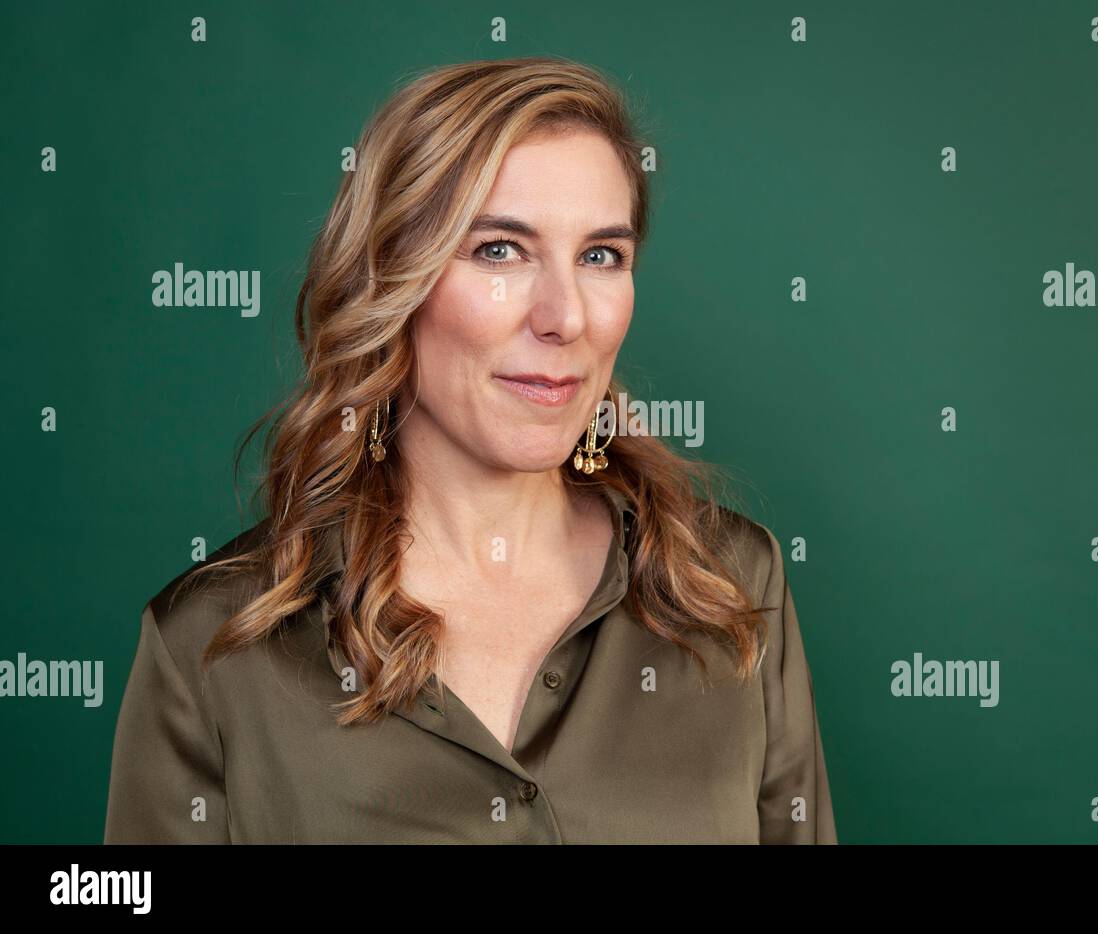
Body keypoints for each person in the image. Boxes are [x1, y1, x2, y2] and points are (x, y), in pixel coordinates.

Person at [103, 56, 835, 844]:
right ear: (392, 278)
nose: (565, 318)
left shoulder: (729, 584)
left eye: (601, 256)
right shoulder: (212, 647)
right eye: (500, 251)